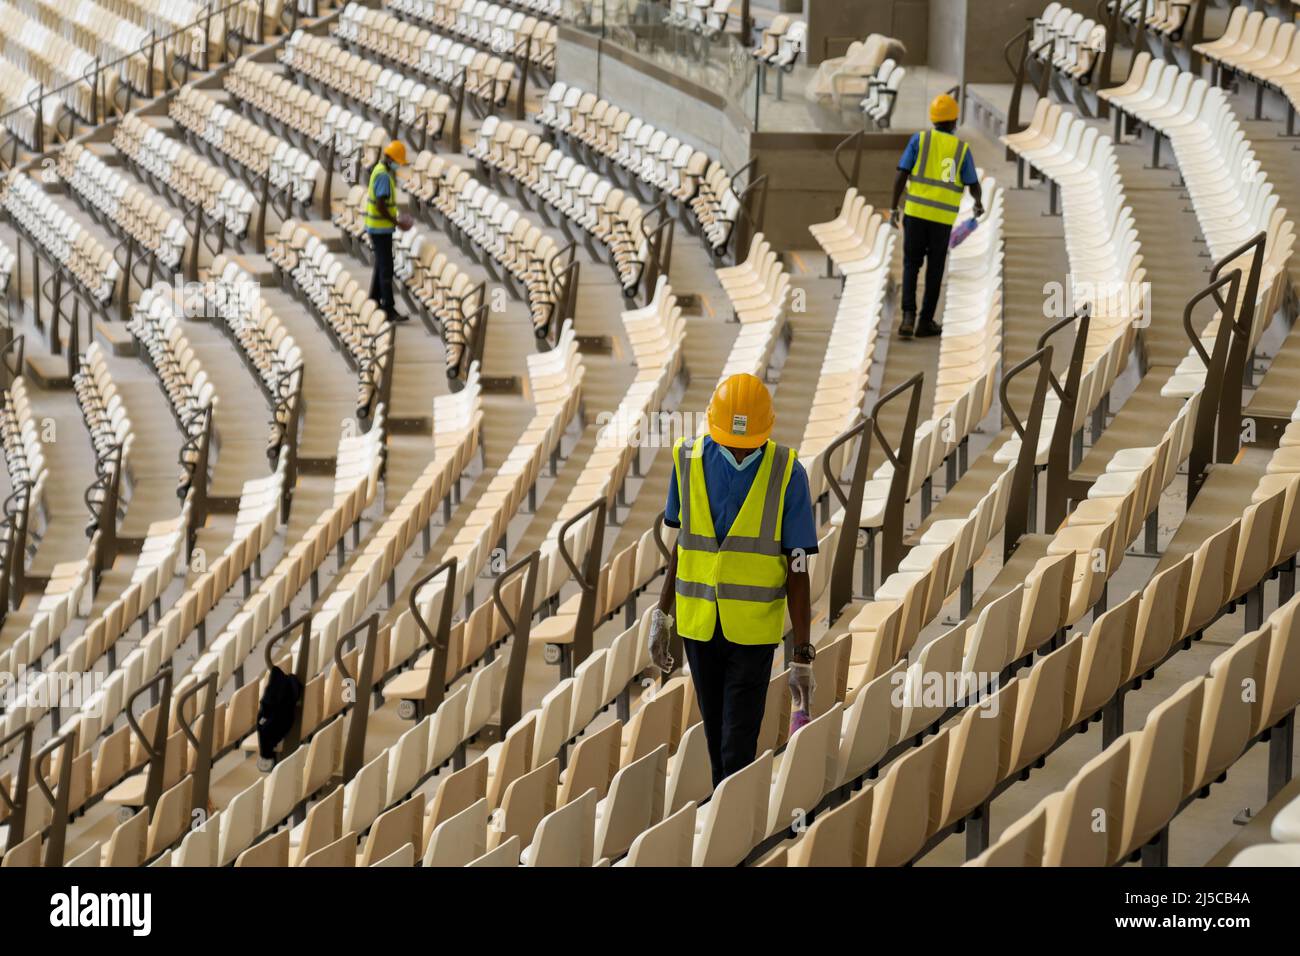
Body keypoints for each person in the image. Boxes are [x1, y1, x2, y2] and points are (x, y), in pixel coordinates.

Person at [650, 373, 819, 788]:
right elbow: (683, 544)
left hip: (754, 631)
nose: (738, 450)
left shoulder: (787, 472)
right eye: (730, 441)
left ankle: (730, 823)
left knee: (737, 738)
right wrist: (662, 615)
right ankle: (729, 811)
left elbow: (797, 566)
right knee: (715, 734)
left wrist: (802, 652)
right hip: (698, 625)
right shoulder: (686, 460)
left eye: (748, 442)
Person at [889, 92, 984, 339]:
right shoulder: (961, 149)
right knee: (935, 270)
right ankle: (925, 322)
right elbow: (973, 183)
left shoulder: (919, 140)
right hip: (941, 221)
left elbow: (901, 174)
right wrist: (978, 203)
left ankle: (907, 317)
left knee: (911, 265)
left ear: (933, 119)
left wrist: (893, 208)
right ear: (954, 121)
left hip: (915, 214)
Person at [366, 140, 413, 323]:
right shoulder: (384, 176)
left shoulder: (378, 168)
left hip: (377, 228)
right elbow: (380, 205)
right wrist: (397, 222)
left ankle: (374, 301)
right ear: (391, 159)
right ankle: (388, 308)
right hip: (381, 229)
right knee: (386, 269)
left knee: (380, 266)